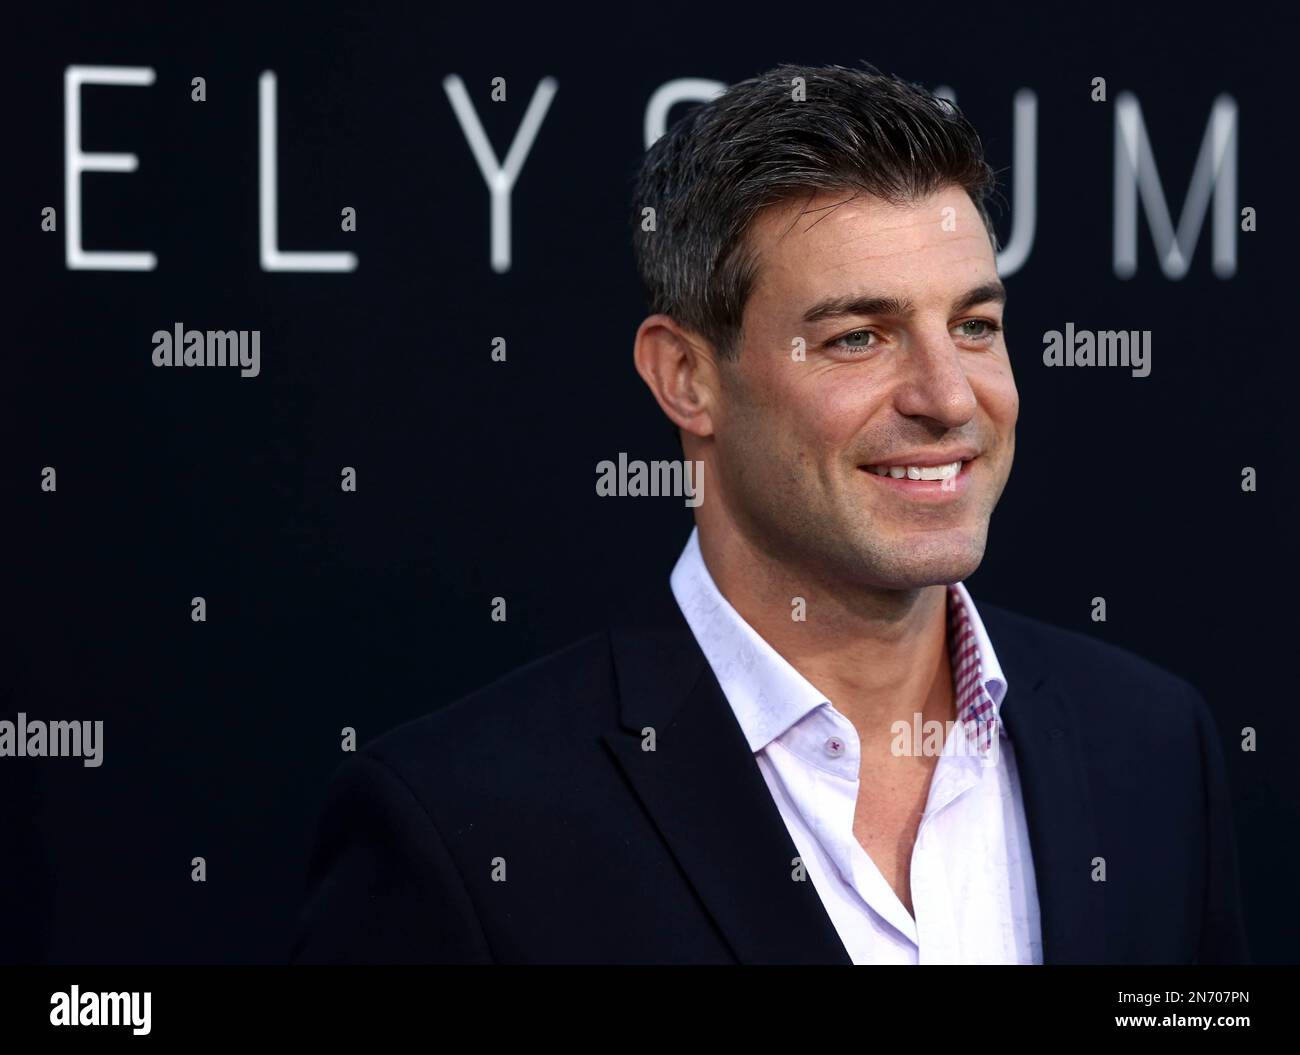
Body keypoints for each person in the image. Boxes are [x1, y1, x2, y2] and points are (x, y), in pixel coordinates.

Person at [291, 61, 1249, 964]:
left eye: (974, 326)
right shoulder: (466, 823)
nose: (949, 398)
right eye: (857, 337)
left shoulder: (1153, 744)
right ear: (687, 377)